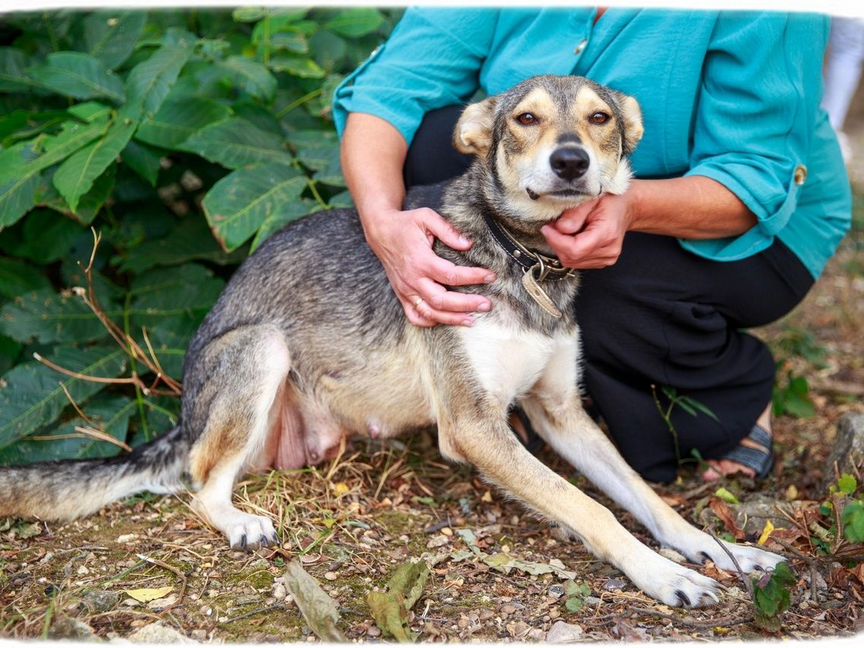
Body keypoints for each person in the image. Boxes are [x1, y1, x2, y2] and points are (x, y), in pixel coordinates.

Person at [332, 8, 852, 484]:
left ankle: (725, 390)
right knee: (428, 157)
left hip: (742, 223)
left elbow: (753, 177)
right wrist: (384, 224)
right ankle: (496, 374)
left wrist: (631, 207)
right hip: (545, 187)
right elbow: (391, 91)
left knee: (588, 292)